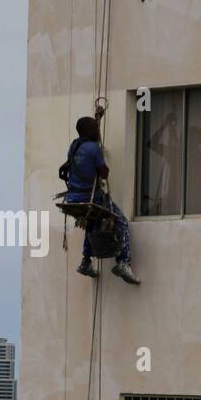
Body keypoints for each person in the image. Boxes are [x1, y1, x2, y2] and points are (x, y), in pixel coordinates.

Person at [62, 116, 140, 284]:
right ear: (90, 131)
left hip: (74, 198)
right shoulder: (93, 148)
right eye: (95, 128)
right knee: (121, 221)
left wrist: (97, 118)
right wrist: (101, 160)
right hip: (92, 198)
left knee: (91, 224)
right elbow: (104, 173)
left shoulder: (74, 147)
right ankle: (123, 262)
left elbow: (85, 153)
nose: (97, 130)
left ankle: (86, 261)